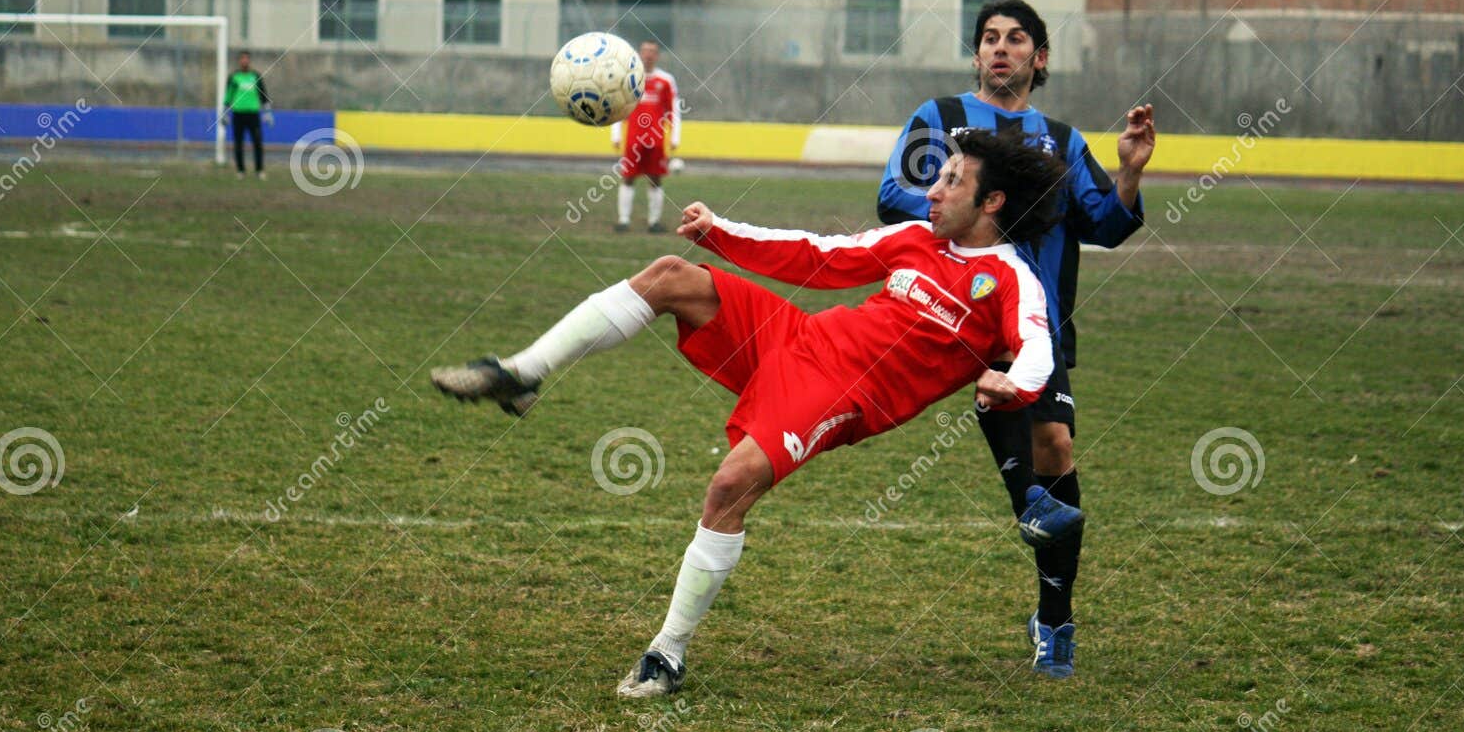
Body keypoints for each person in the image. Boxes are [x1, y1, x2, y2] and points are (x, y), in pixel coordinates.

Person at [431, 129, 1086, 697]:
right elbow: (817, 253)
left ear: (991, 201)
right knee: (670, 275)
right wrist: (722, 232)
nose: (933, 192)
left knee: (727, 486)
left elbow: (1036, 346)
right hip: (796, 339)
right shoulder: (915, 238)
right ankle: (521, 373)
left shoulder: (1008, 277)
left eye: (950, 181)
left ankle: (667, 653)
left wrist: (1013, 381)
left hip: (839, 394)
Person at [876, 0, 1156, 678]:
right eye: (990, 38)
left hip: (1039, 326)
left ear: (1040, 57)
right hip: (959, 318)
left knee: (1053, 447)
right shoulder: (939, 120)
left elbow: (1109, 225)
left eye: (1018, 38)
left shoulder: (1062, 142)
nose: (1002, 48)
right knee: (1032, 473)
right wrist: (976, 205)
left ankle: (1055, 617)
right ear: (976, 55)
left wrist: (1129, 169)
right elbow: (893, 196)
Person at [610, 40, 680, 232]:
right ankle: (623, 221)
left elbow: (673, 109)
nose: (648, 55)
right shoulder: (630, 79)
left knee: (655, 178)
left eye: (653, 52)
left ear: (657, 56)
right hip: (633, 139)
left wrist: (675, 137)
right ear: (640, 54)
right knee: (628, 178)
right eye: (645, 51)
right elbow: (619, 106)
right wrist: (615, 133)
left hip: (655, 140)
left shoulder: (666, 80)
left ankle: (654, 222)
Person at [224, 51, 272, 180]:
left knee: (257, 142)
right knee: (238, 143)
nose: (244, 61)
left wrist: (267, 113)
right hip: (238, 114)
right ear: (239, 61)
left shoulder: (255, 76)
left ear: (249, 61)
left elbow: (264, 95)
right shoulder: (234, 77)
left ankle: (259, 170)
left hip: (253, 114)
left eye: (246, 59)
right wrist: (225, 113)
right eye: (242, 59)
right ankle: (240, 171)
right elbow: (228, 95)